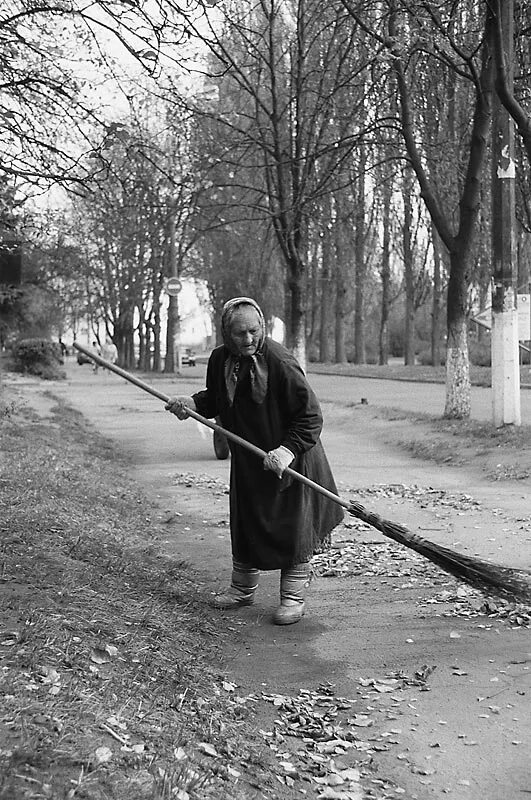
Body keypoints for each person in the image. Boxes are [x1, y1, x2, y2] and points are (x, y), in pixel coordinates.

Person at [165, 297, 343, 625]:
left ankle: (292, 598)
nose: (248, 339)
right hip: (250, 461)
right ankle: (242, 589)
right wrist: (190, 403)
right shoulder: (220, 359)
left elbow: (310, 416)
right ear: (225, 334)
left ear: (262, 327)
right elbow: (217, 398)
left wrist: (287, 451)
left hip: (291, 459)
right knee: (246, 520)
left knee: (292, 525)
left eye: (254, 330)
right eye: (239, 333)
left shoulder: (279, 360)